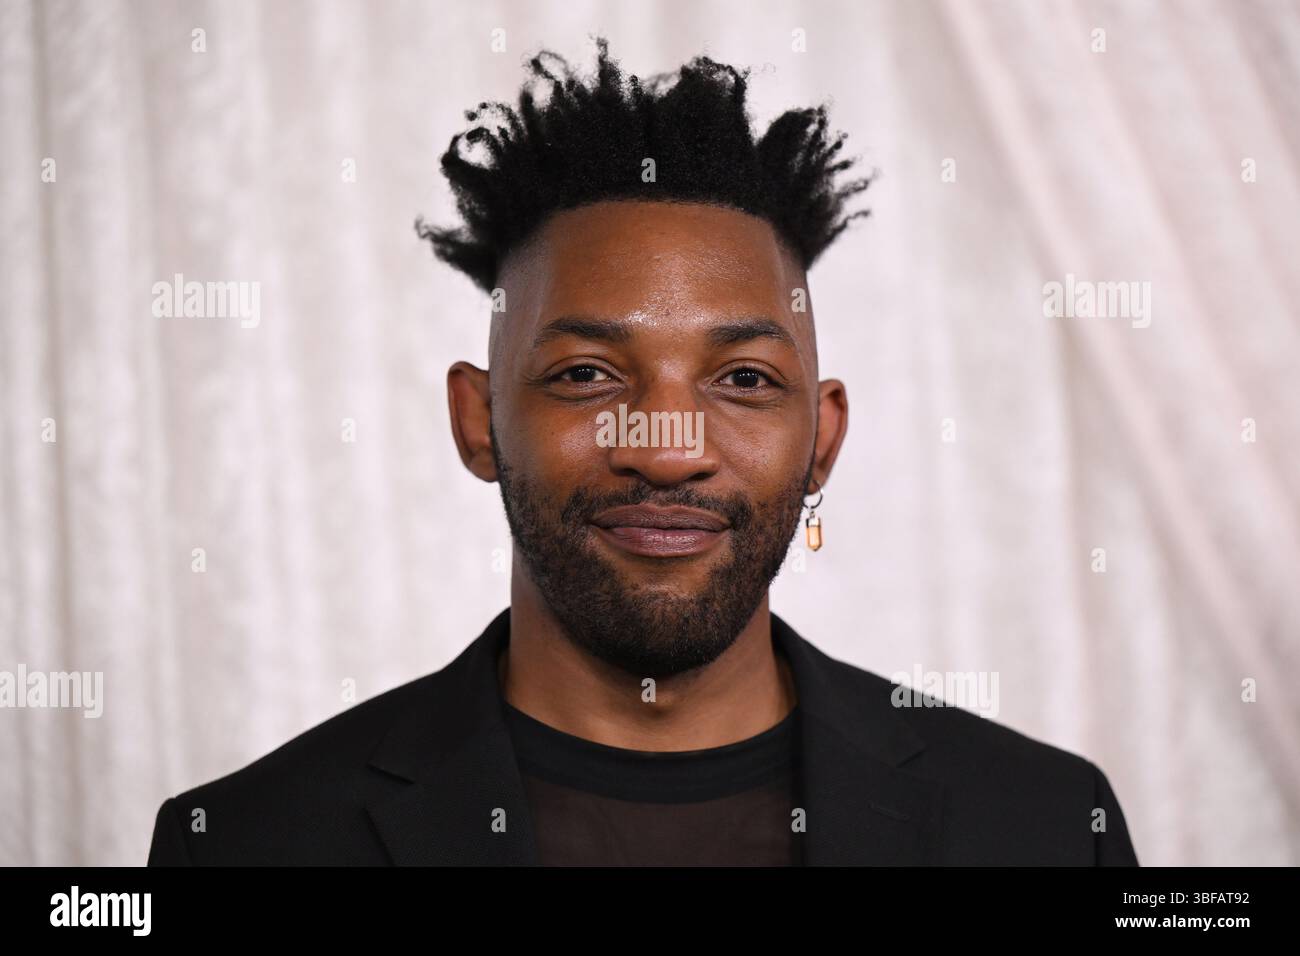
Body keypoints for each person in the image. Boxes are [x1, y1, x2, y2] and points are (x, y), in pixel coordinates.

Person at [147, 37, 1138, 866]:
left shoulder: (1047, 827)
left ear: (823, 438)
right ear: (477, 420)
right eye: (587, 374)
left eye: (743, 379)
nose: (667, 452)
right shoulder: (248, 843)